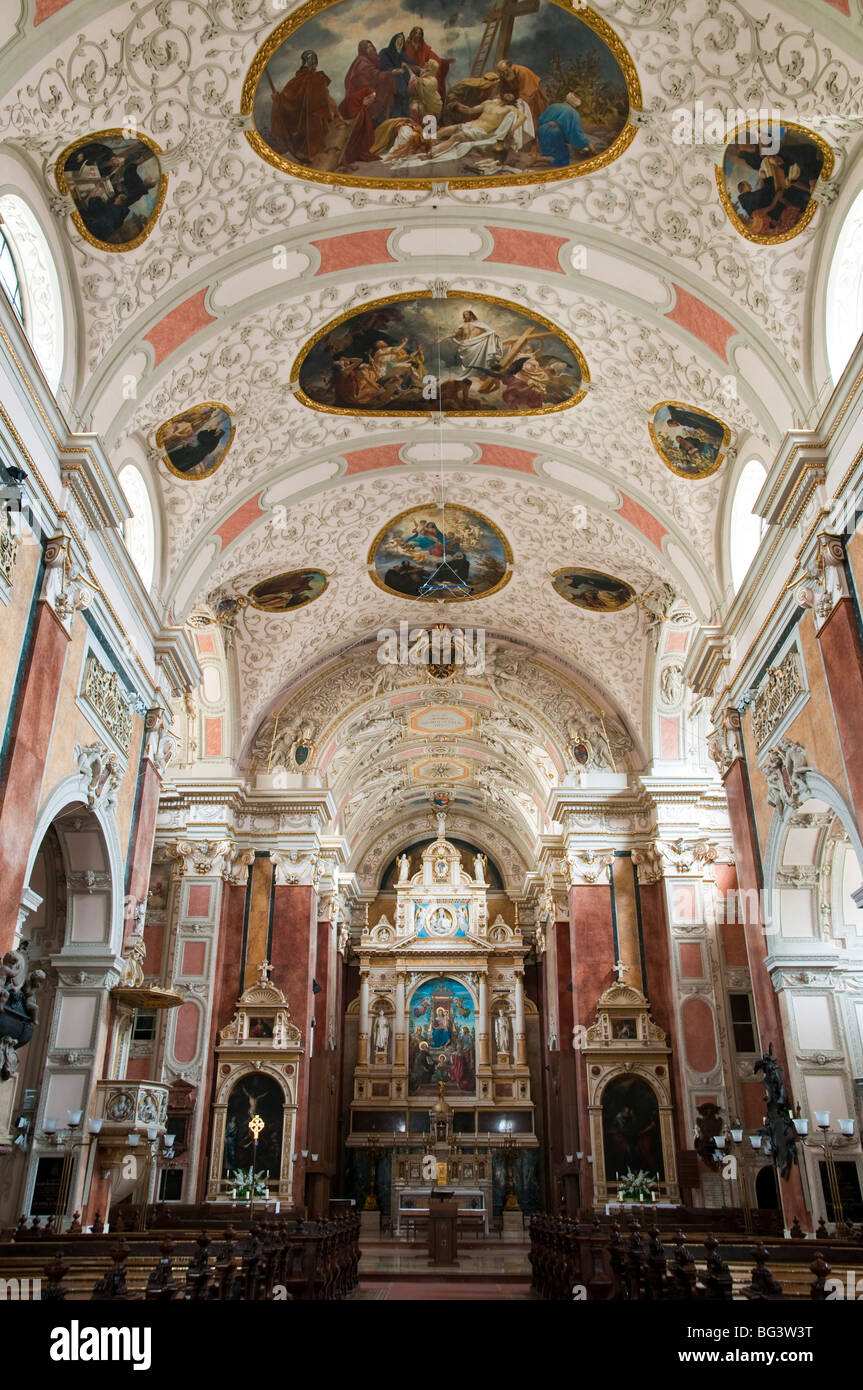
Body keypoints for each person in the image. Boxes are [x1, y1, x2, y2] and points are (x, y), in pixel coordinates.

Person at [269, 50, 344, 163]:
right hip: (309, 118)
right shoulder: (307, 79)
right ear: (307, 62)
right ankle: (312, 156)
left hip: (315, 117)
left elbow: (327, 98)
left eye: (314, 60)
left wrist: (278, 99)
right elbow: (288, 98)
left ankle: (314, 155)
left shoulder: (315, 78)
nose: (313, 64)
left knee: (316, 137)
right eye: (311, 61)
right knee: (311, 137)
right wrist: (278, 99)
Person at [536, 92, 593, 168]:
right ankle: (539, 159)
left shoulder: (553, 106)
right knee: (564, 161)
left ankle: (539, 159)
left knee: (556, 155)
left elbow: (540, 120)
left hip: (541, 131)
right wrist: (589, 145)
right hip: (554, 134)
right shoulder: (573, 113)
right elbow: (577, 133)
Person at [496, 59, 547, 126]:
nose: (503, 74)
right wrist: (505, 94)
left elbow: (526, 92)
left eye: (505, 71)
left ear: (510, 66)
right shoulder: (504, 75)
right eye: (501, 72)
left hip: (532, 94)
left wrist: (514, 97)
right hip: (517, 95)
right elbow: (503, 89)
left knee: (524, 105)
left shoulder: (523, 72)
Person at [405, 26, 450, 102]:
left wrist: (443, 62)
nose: (418, 35)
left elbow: (432, 56)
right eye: (416, 33)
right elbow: (403, 60)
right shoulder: (406, 45)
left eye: (419, 33)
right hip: (410, 70)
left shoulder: (422, 45)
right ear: (412, 34)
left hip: (422, 71)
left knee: (433, 78)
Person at [378, 33, 417, 120]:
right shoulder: (385, 52)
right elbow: (382, 67)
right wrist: (393, 71)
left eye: (402, 40)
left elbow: (411, 65)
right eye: (398, 39)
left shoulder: (403, 54)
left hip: (403, 84)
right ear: (393, 40)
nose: (400, 41)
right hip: (390, 82)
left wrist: (407, 66)